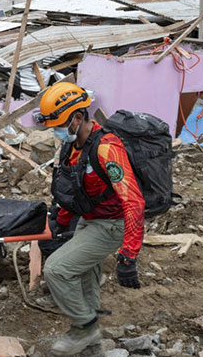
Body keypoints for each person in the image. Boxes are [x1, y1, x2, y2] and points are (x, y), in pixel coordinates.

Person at [34, 83, 145, 356]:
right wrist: (60, 222)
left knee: (56, 270)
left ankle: (84, 328)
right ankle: (93, 349)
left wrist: (128, 255)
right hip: (88, 220)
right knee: (85, 281)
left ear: (77, 117)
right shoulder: (71, 147)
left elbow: (134, 201)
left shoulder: (107, 149)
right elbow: (77, 191)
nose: (57, 132)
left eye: (60, 126)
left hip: (111, 225)